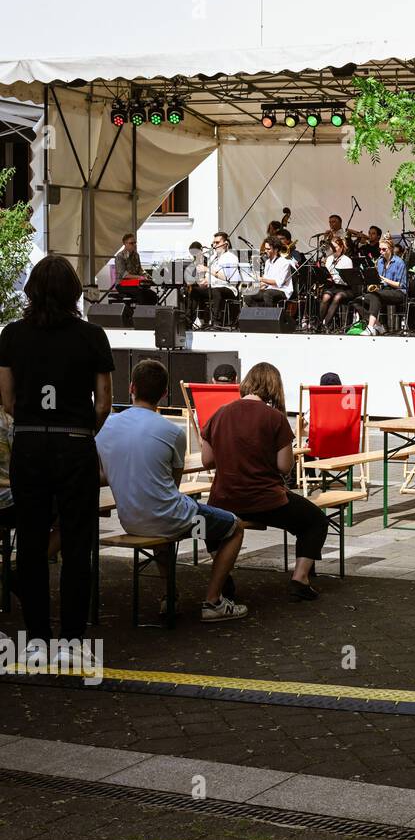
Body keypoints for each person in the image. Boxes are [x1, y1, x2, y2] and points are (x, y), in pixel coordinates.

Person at [0, 256, 113, 665]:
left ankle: (37, 637)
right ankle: (72, 638)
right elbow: (103, 402)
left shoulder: (12, 335)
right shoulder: (92, 336)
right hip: (74, 443)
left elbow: (7, 400)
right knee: (77, 542)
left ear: (31, 290)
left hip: (30, 444)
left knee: (31, 542)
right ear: (74, 293)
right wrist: (82, 431)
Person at [96, 360, 248, 622]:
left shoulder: (106, 427)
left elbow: (103, 472)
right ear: (165, 393)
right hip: (170, 517)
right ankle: (213, 601)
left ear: (131, 388)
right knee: (234, 527)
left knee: (160, 522)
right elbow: (173, 485)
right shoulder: (171, 431)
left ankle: (170, 596)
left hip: (130, 518)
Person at [200, 362, 327, 601]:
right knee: (315, 521)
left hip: (224, 499)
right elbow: (284, 466)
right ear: (274, 386)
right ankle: (300, 579)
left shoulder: (219, 414)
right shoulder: (275, 418)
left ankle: (222, 574)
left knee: (207, 523)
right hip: (265, 500)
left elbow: (207, 461)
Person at [361, 235, 406, 335]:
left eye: (384, 249)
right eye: (380, 249)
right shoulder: (380, 261)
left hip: (398, 292)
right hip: (383, 291)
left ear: (391, 249)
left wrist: (384, 279)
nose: (381, 252)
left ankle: (370, 327)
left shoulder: (399, 262)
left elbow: (400, 284)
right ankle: (379, 325)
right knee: (358, 301)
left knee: (375, 295)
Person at [204, 231, 242, 328]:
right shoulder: (212, 258)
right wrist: (203, 281)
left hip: (228, 288)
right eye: (213, 243)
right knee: (195, 291)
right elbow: (208, 276)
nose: (214, 245)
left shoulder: (231, 258)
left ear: (225, 244)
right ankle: (191, 321)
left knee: (216, 290)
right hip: (213, 287)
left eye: (217, 243)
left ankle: (216, 322)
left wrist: (208, 270)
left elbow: (226, 277)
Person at [243, 235, 293, 309]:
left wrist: (261, 279)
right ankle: (259, 313)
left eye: (268, 249)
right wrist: (255, 287)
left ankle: (269, 315)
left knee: (268, 294)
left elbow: (279, 283)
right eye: (265, 249)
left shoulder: (284, 263)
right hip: (269, 289)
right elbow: (265, 282)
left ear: (276, 250)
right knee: (248, 296)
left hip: (283, 291)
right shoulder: (267, 262)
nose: (265, 251)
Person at [320, 235, 354, 332]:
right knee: (326, 296)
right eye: (332, 247)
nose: (333, 249)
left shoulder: (347, 260)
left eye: (335, 247)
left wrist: (335, 278)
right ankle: (319, 322)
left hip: (345, 288)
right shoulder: (329, 258)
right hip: (333, 286)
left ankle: (326, 324)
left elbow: (349, 280)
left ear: (341, 247)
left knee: (337, 297)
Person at [112, 232, 157, 305]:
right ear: (125, 244)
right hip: (122, 283)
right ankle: (141, 311)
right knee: (141, 293)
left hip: (134, 283)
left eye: (135, 243)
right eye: (131, 243)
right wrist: (139, 277)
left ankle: (148, 311)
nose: (134, 245)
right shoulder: (120, 256)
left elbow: (139, 269)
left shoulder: (136, 255)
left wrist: (147, 276)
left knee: (153, 295)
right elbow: (124, 275)